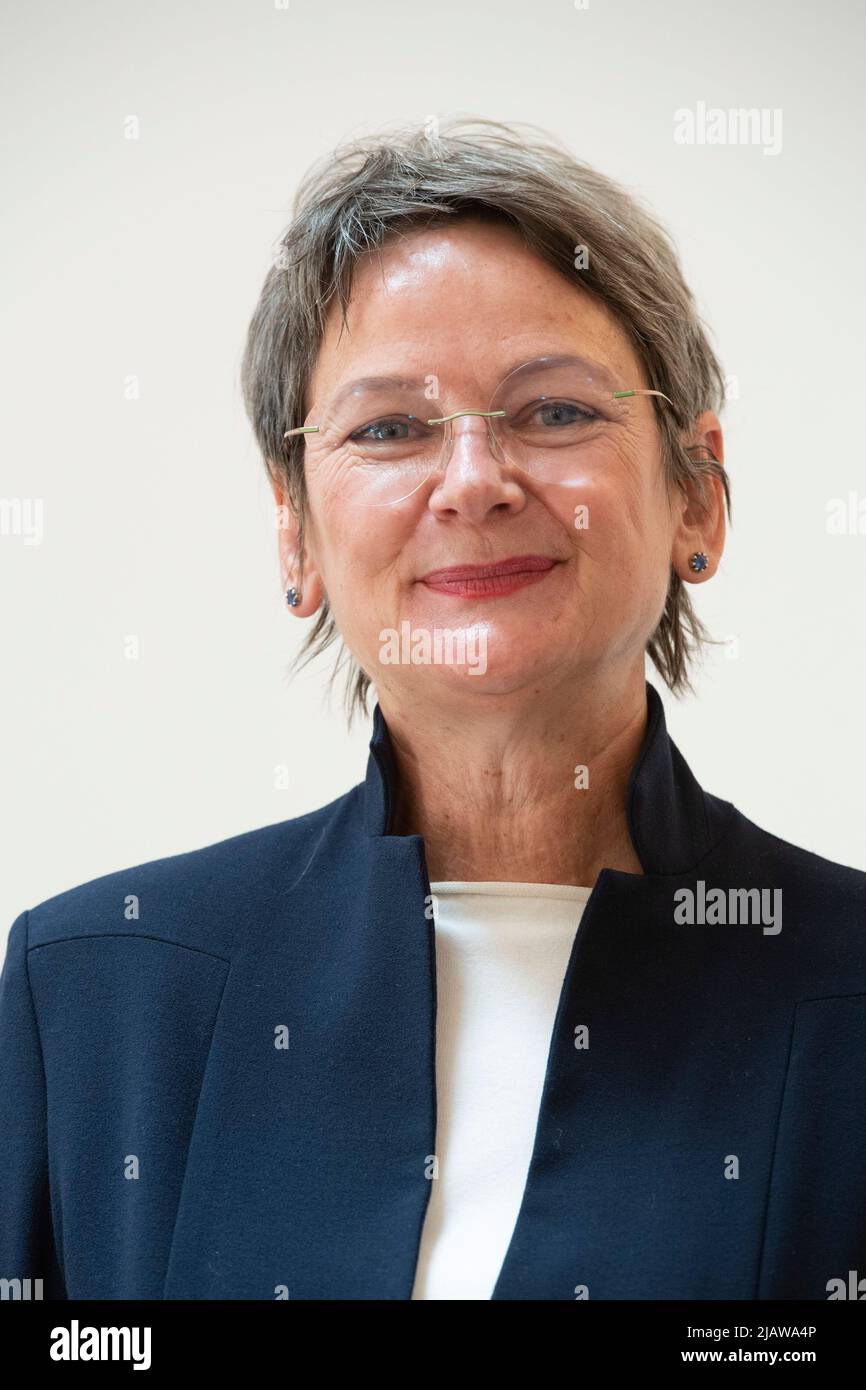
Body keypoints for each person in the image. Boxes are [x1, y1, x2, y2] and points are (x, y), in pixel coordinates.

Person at [2, 119, 864, 1301]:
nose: (472, 482)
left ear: (697, 496)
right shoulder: (97, 992)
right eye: (389, 429)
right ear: (293, 532)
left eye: (553, 411)